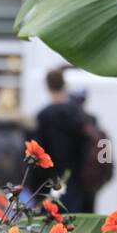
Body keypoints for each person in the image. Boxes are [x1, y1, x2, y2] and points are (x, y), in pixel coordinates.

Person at [33, 67, 93, 213]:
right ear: (64, 85)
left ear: (47, 87)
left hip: (49, 182)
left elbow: (37, 153)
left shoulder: (43, 116)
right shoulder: (78, 114)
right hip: (74, 181)